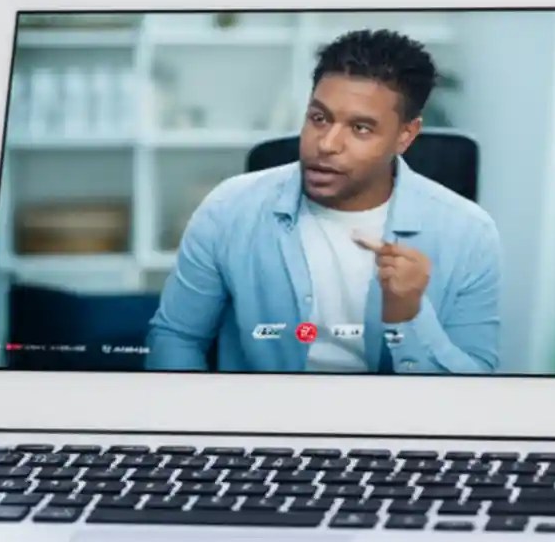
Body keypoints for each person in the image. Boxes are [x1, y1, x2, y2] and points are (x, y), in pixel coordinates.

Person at [145, 29, 501, 374]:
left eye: (361, 128)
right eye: (319, 118)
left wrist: (410, 315)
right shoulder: (230, 208)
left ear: (405, 136)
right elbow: (177, 337)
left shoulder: (469, 233)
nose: (327, 144)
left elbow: (472, 384)